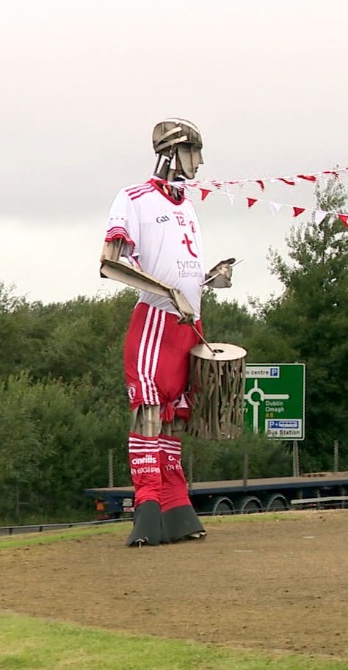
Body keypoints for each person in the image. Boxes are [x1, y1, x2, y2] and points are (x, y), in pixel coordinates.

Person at [99, 118, 235, 546]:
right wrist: (169, 292)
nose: (199, 162)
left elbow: (179, 265)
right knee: (149, 414)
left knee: (175, 420)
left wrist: (210, 278)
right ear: (171, 151)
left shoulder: (187, 207)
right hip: (156, 324)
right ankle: (148, 507)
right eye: (193, 151)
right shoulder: (133, 198)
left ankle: (177, 508)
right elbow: (110, 263)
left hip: (190, 325)